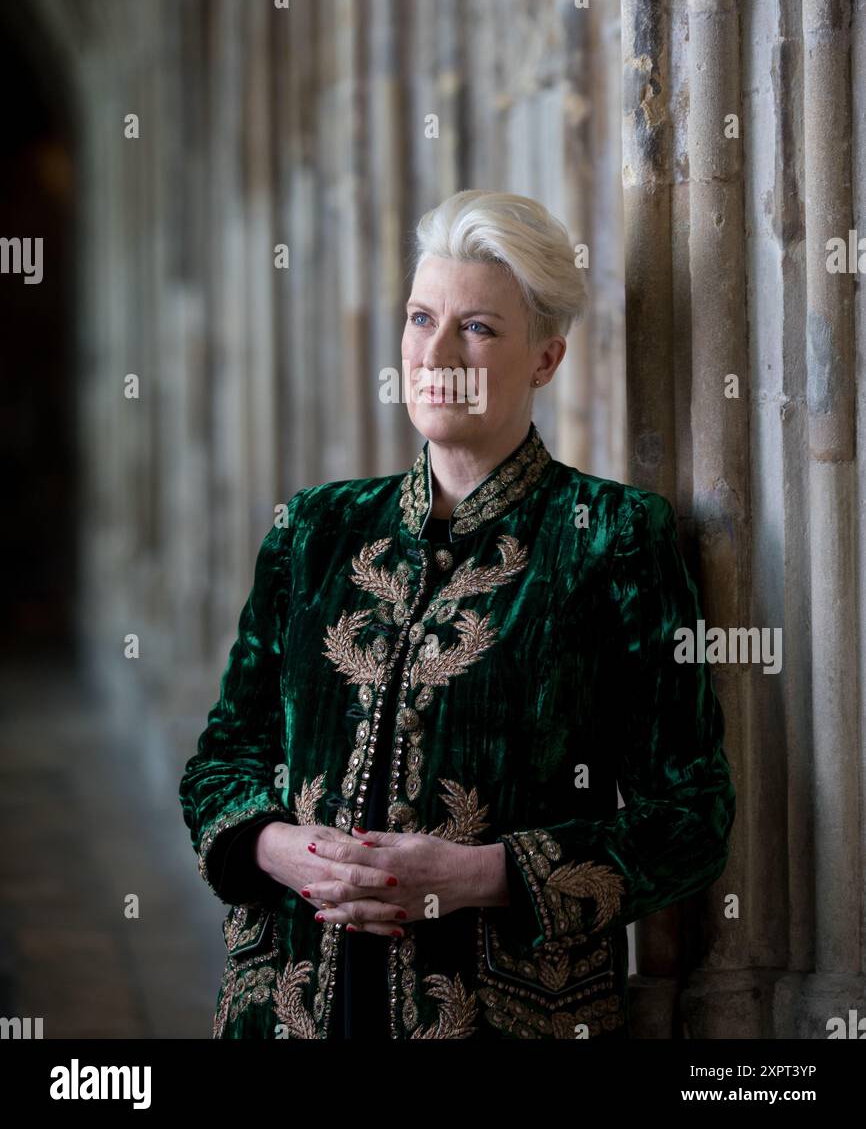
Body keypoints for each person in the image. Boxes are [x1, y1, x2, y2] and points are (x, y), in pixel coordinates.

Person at [178, 189, 736, 1040]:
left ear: (546, 359)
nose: (434, 350)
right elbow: (224, 756)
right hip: (288, 1005)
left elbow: (691, 817)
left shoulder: (611, 539)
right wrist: (275, 848)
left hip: (504, 1015)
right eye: (419, 317)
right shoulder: (315, 529)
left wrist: (482, 873)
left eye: (477, 327)